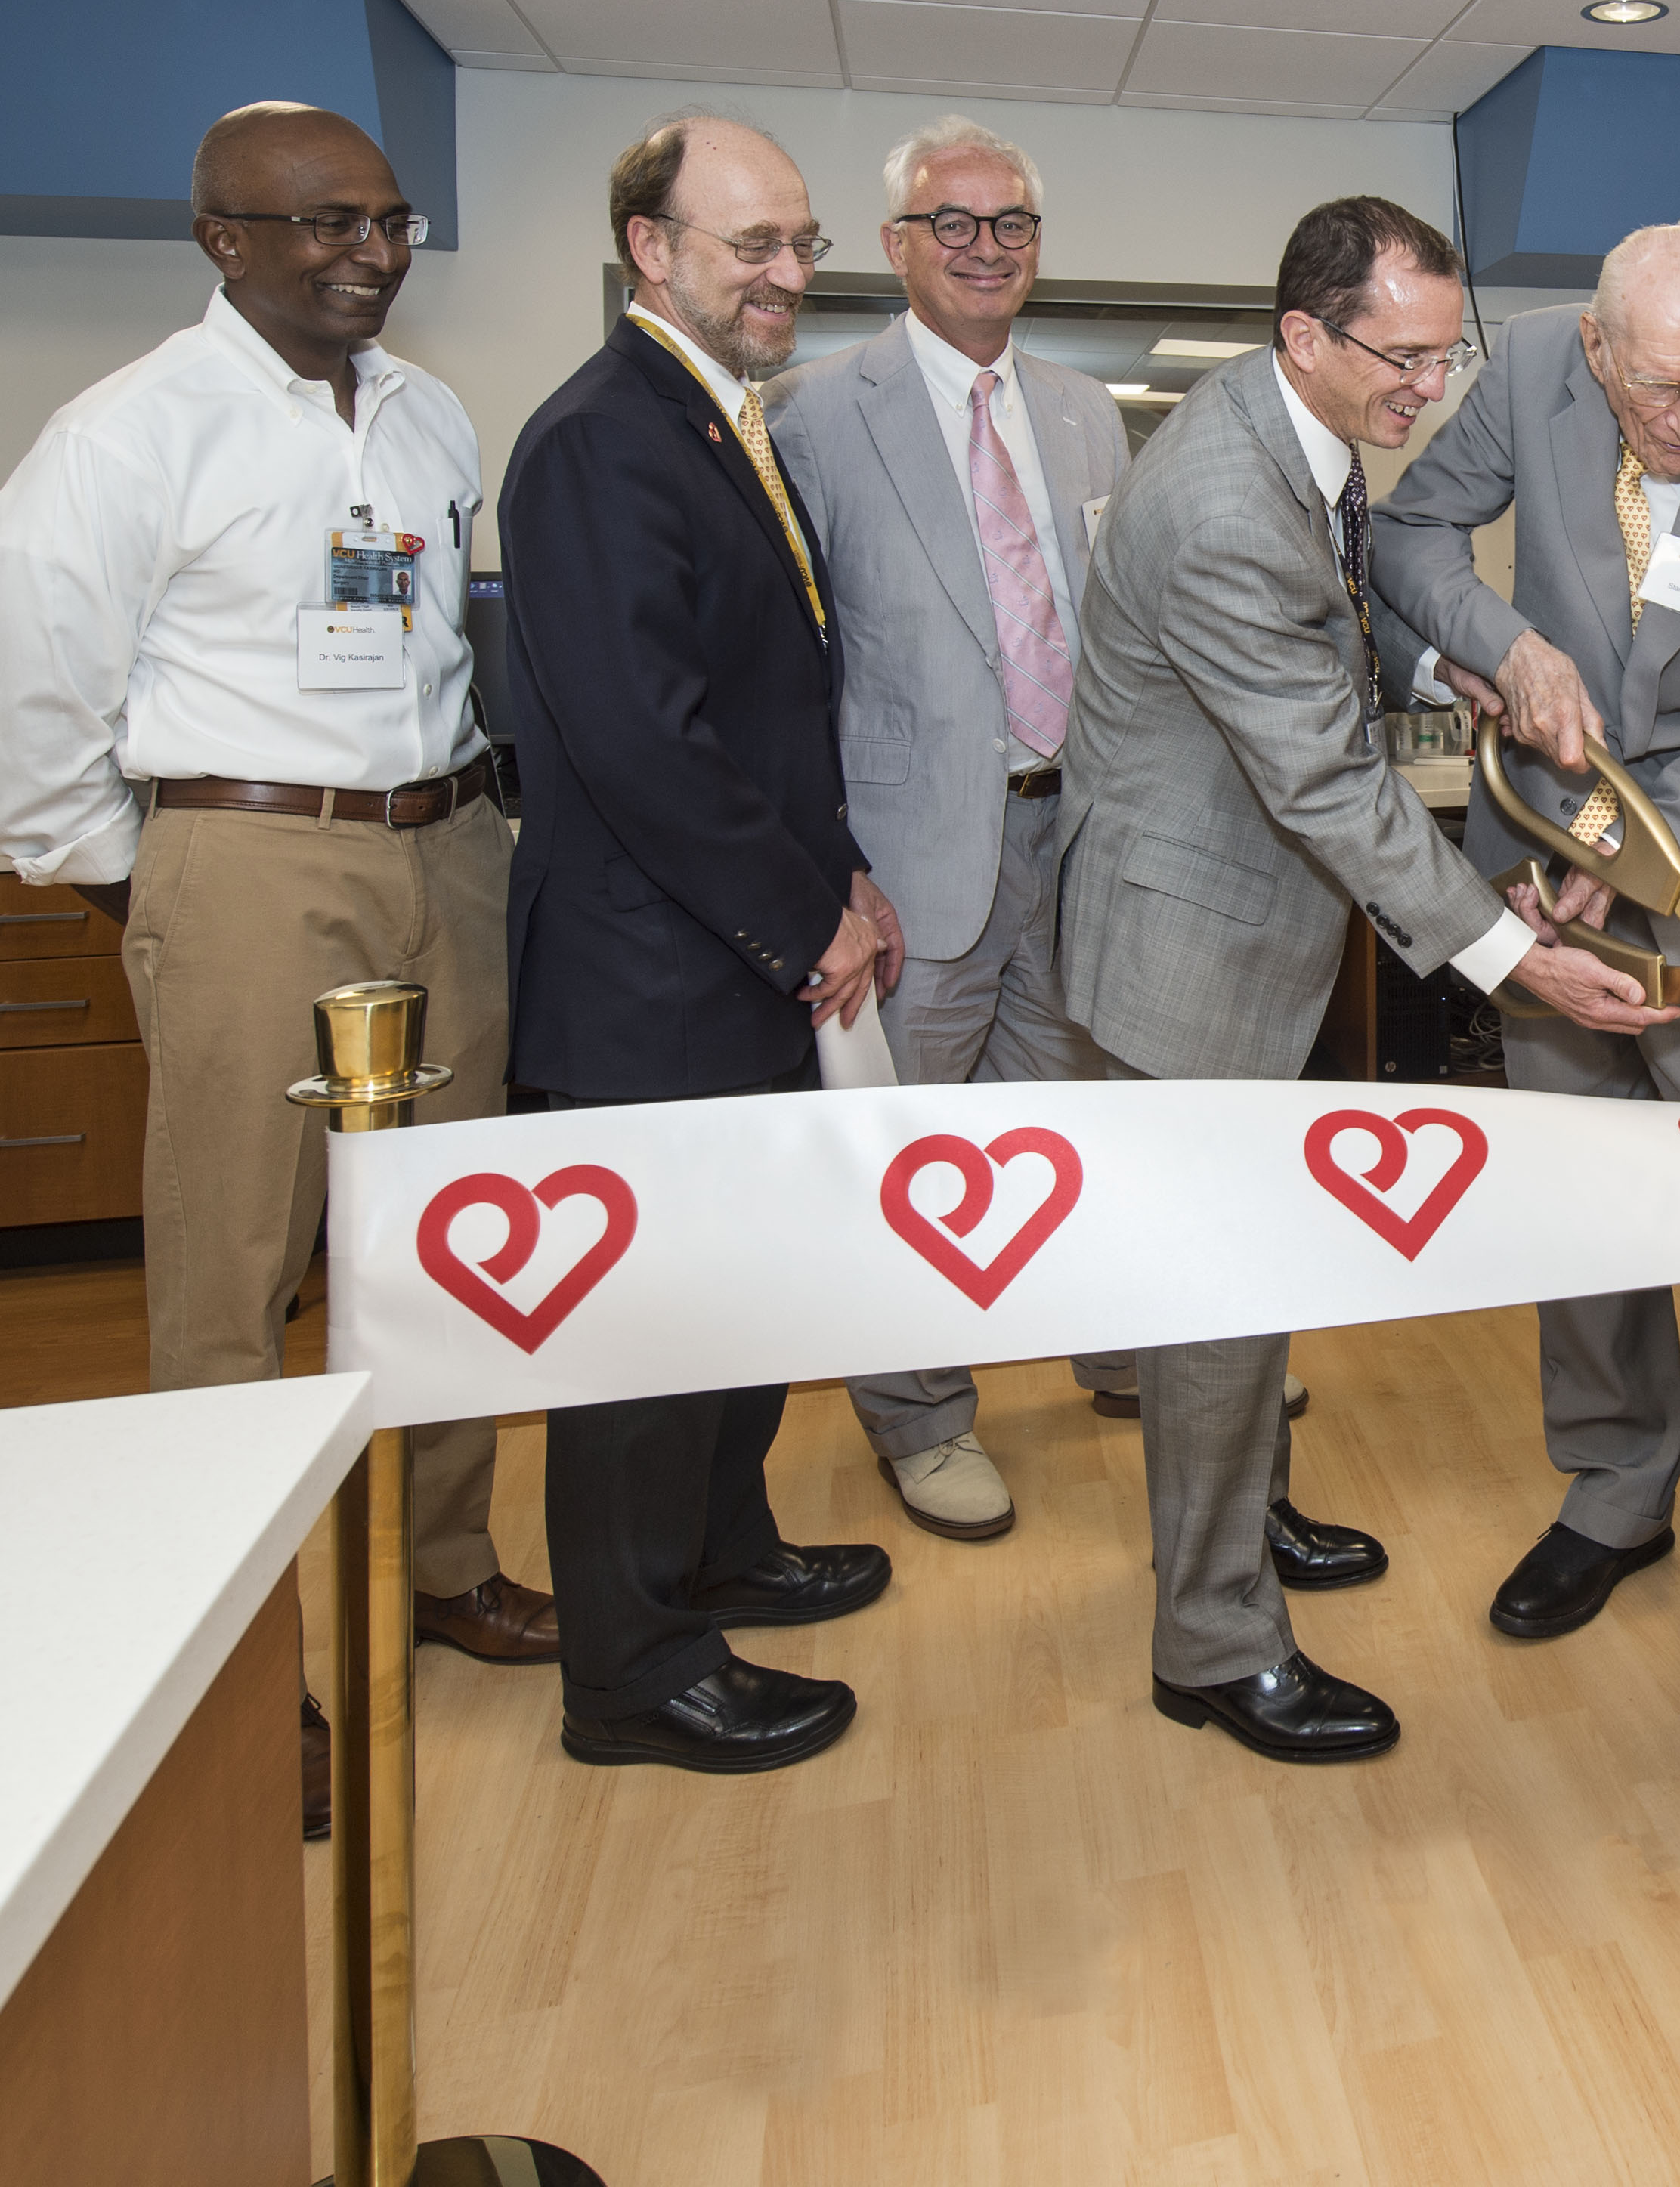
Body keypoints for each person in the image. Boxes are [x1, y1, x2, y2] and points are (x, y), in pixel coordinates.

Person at [0, 101, 554, 1839]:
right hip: (247, 853)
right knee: (238, 1272)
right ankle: (242, 1675)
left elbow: (429, 643)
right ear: (222, 240)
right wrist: (163, 892)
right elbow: (37, 710)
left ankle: (447, 1561)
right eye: (322, 223)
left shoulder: (428, 412)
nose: (366, 253)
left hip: (448, 846)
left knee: (454, 1239)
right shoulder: (126, 434)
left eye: (385, 221)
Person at [1053, 195, 1665, 1765]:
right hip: (1186, 949)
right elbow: (1328, 783)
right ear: (1304, 336)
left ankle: (1245, 1512)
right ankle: (1213, 1640)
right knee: (1212, 1301)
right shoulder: (1221, 503)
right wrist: (1517, 961)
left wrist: (1447, 661)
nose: (1431, 390)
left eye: (1449, 356)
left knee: (1250, 1273)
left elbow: (1332, 627)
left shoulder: (1292, 433)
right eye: (1405, 359)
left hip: (1241, 926)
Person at [1372, 219, 1680, 1750]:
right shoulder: (1530, 368)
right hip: (1545, 823)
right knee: (1581, 1177)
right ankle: (1615, 1485)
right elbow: (1408, 539)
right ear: (1596, 346)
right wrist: (1507, 645)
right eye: (1659, 385)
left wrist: (1634, 857)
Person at [500, 115, 898, 1772]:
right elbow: (643, 742)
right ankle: (633, 1670)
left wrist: (848, 878)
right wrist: (806, 918)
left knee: (738, 1301)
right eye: (753, 246)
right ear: (650, 249)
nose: (787, 274)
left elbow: (770, 711)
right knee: (644, 1341)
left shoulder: (723, 422)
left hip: (736, 961)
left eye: (802, 243)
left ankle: (724, 1547)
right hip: (648, 984)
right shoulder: (600, 441)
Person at [763, 115, 1137, 1541]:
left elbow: (1113, 631)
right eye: (955, 223)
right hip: (907, 863)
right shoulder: (811, 413)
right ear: (897, 245)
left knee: (1069, 1134)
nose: (987, 248)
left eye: (1012, 223)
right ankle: (919, 1421)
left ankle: (1111, 1349)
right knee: (907, 1159)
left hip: (1068, 840)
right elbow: (787, 666)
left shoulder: (1085, 410)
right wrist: (830, 866)